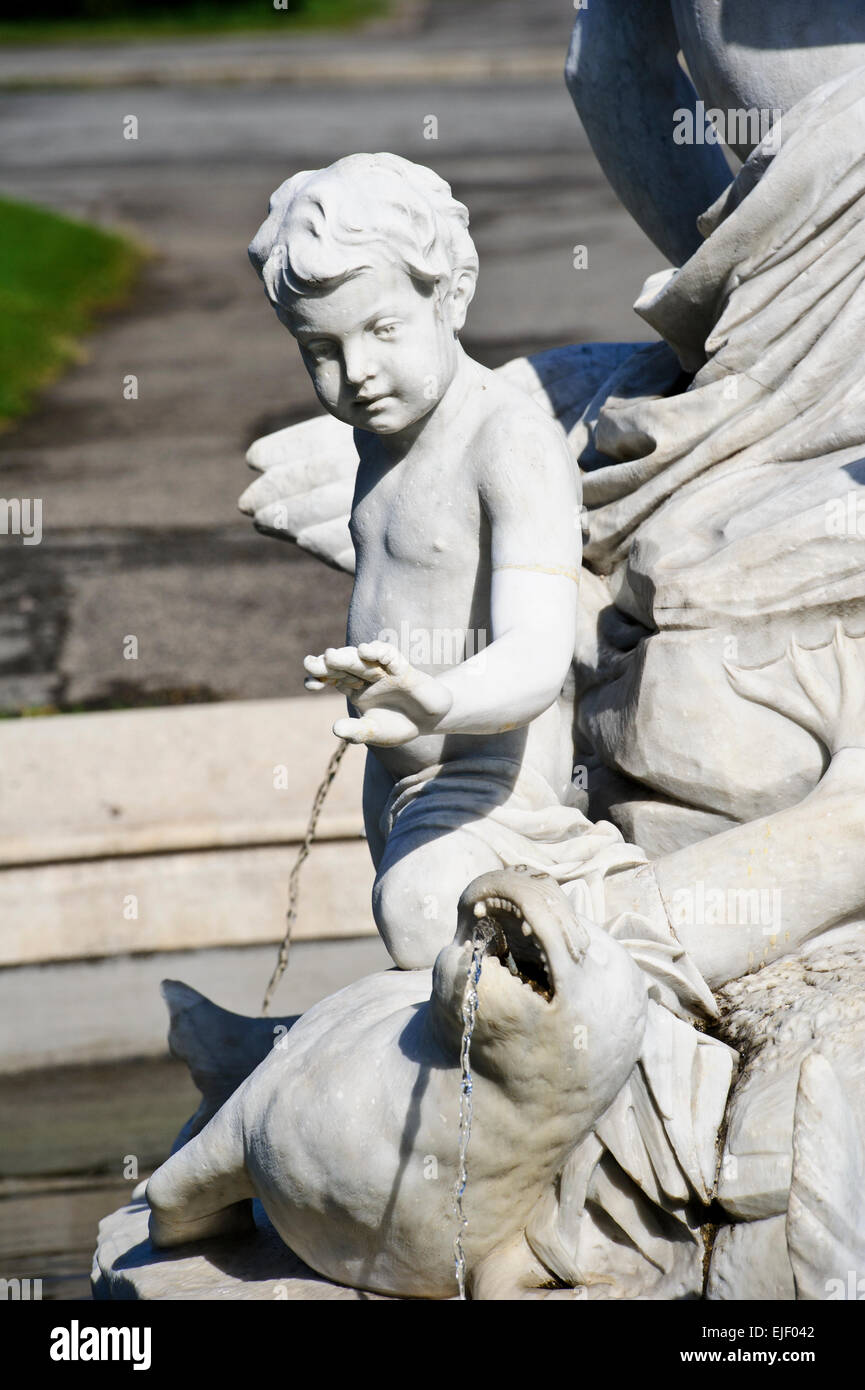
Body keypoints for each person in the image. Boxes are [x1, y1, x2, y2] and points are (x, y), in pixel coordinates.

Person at [249, 153, 637, 969]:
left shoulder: (508, 441)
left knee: (422, 914)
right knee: (415, 946)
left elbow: (537, 656)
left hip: (493, 778)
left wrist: (437, 698)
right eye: (320, 348)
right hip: (400, 770)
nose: (353, 372)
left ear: (451, 296)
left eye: (381, 330)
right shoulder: (379, 436)